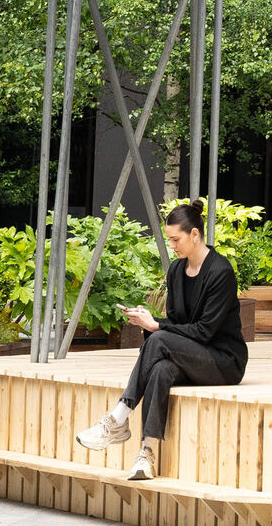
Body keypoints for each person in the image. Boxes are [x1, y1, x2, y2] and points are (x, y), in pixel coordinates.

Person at [76, 200, 247, 481]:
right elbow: (179, 323)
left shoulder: (220, 272)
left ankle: (118, 417)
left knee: (159, 339)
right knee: (160, 369)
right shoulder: (177, 272)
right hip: (192, 355)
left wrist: (156, 326)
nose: (173, 246)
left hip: (223, 361)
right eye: (169, 240)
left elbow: (204, 331)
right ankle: (146, 453)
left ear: (194, 234)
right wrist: (149, 321)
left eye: (176, 239)